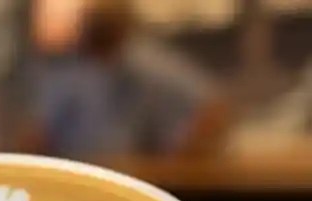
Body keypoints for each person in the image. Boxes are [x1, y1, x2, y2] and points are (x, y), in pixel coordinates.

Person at [23, 0, 229, 157]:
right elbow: (40, 133)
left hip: (139, 180)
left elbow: (213, 109)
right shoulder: (75, 70)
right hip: (82, 175)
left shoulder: (147, 64)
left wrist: (178, 163)